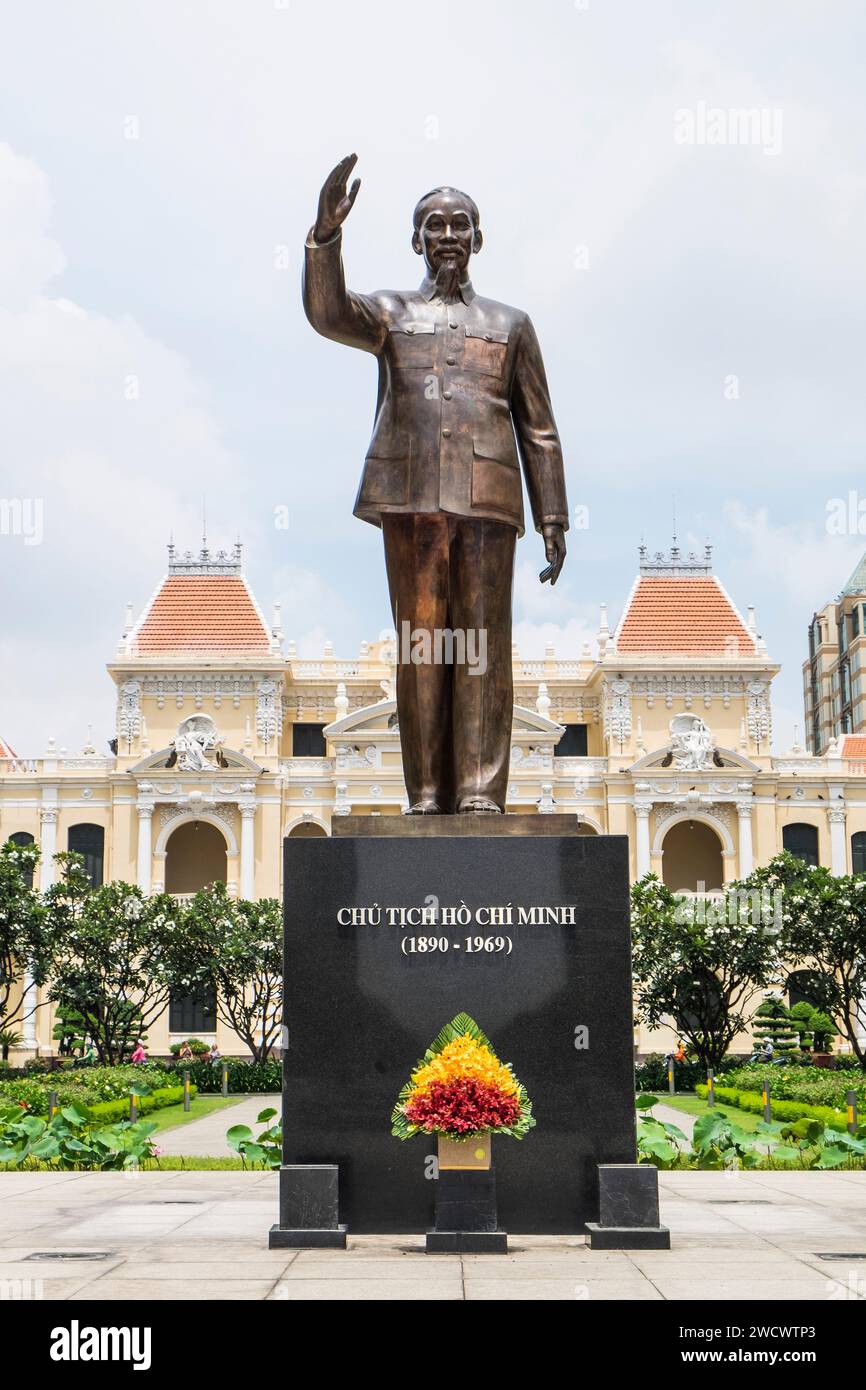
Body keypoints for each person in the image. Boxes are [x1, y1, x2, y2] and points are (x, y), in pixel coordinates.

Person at [304, 156, 569, 814]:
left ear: (478, 238)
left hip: (489, 501)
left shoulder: (511, 324)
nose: (448, 235)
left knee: (482, 646)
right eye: (434, 225)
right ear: (416, 239)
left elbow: (539, 428)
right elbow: (327, 311)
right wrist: (325, 236)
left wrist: (554, 519)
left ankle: (481, 793)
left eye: (459, 225)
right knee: (422, 647)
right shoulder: (389, 314)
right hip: (412, 500)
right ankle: (424, 793)